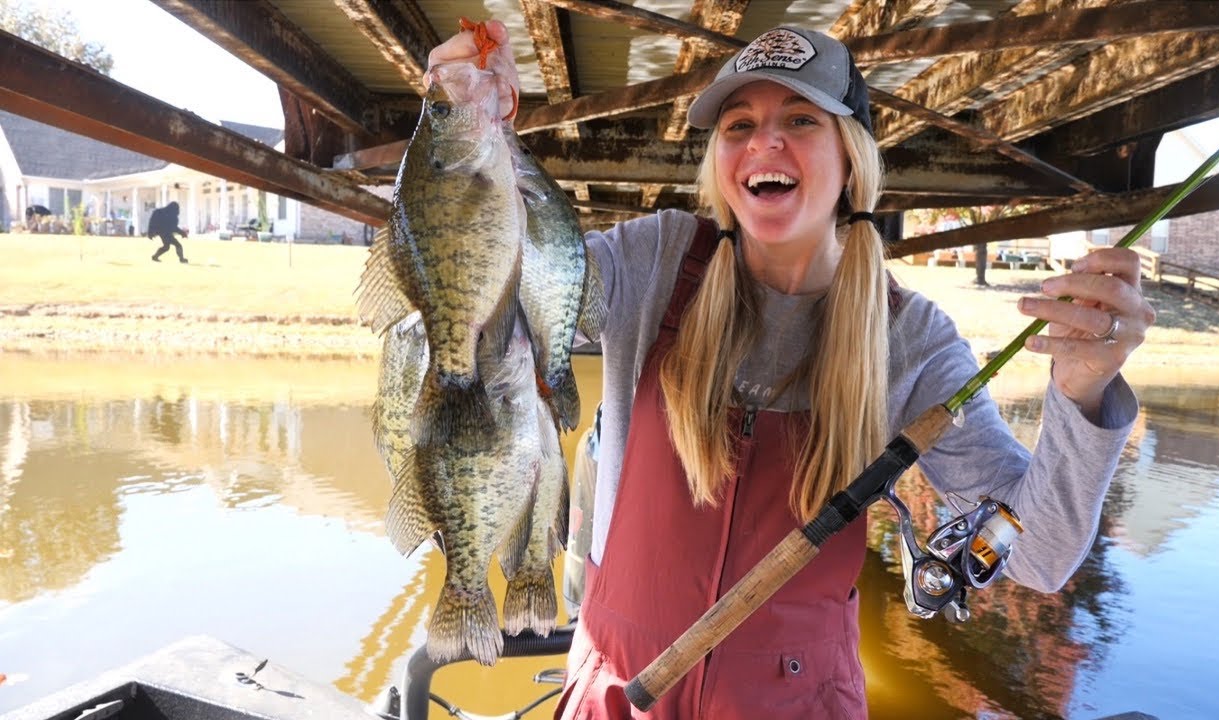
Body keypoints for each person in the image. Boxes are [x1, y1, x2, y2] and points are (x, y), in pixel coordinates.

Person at [428, 21, 1154, 719]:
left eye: (802, 119)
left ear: (852, 159)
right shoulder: (651, 260)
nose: (763, 141)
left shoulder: (911, 337)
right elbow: (499, 298)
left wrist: (1082, 394)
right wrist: (470, 128)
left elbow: (1039, 557)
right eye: (737, 125)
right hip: (617, 687)